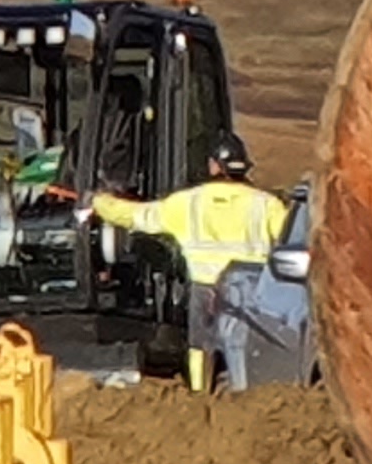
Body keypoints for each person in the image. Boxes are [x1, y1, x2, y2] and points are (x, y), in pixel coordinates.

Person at [90, 134, 293, 391]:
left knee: (200, 347)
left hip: (205, 290)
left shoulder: (188, 203)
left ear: (213, 166)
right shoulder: (267, 205)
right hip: (251, 291)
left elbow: (136, 216)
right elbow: (291, 238)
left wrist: (99, 202)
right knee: (247, 347)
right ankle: (250, 394)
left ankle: (200, 394)